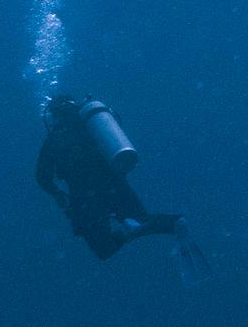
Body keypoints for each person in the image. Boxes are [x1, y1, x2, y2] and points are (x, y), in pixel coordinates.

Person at [35, 90, 193, 264]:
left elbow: (42, 177)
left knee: (103, 249)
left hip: (84, 195)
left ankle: (127, 233)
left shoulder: (54, 139)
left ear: (53, 115)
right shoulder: (92, 124)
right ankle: (174, 222)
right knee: (142, 219)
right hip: (114, 183)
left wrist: (58, 194)